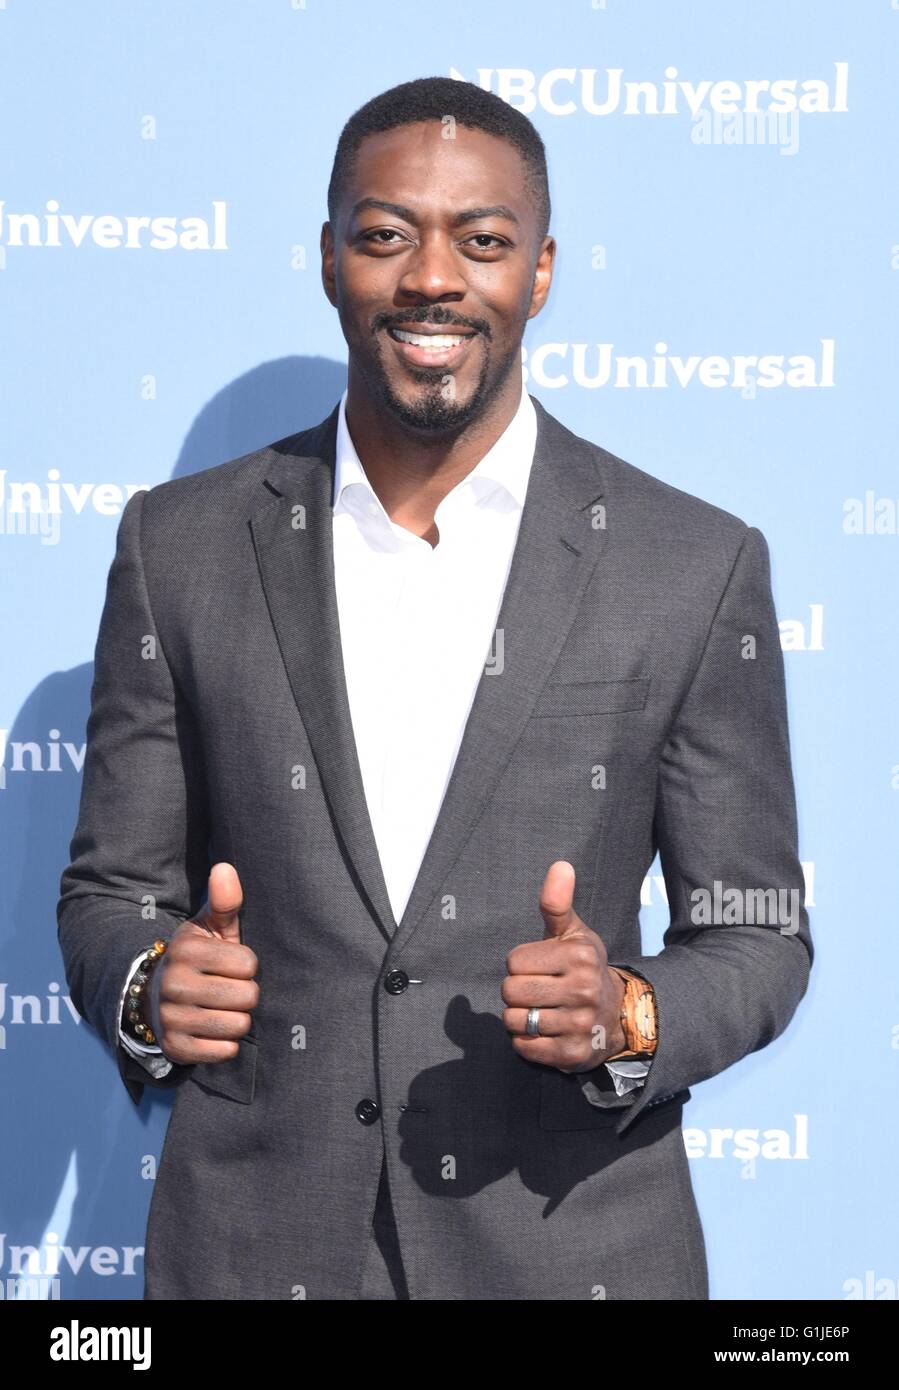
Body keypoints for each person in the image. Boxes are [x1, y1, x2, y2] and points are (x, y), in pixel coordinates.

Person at [57, 76, 813, 1300]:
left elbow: (755, 932)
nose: (431, 278)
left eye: (482, 239)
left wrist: (628, 1013)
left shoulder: (691, 562)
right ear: (326, 258)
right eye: (385, 234)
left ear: (542, 270)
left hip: (572, 1255)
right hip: (253, 1250)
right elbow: (108, 891)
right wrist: (152, 982)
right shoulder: (178, 545)